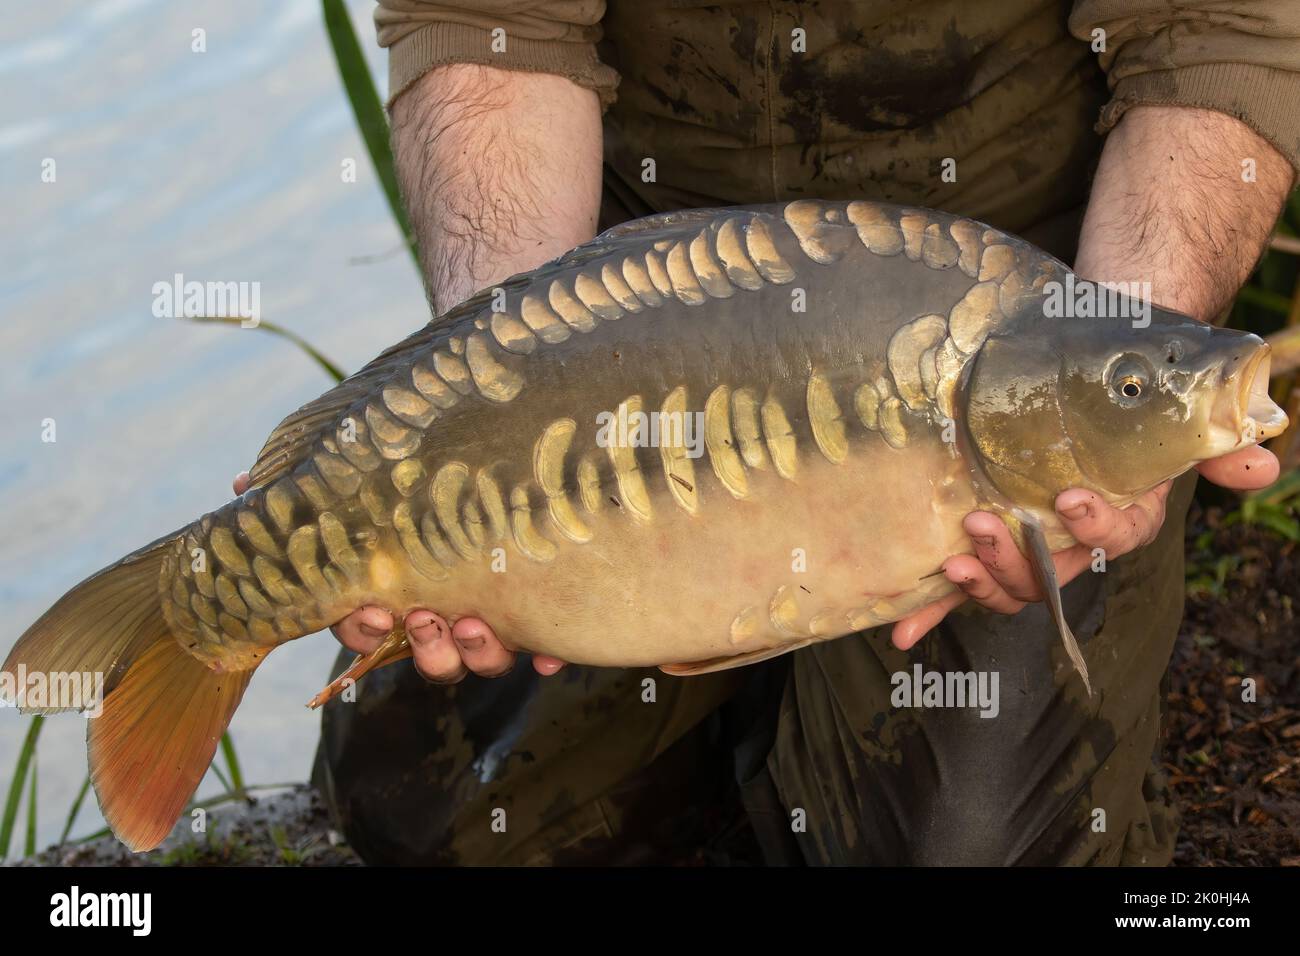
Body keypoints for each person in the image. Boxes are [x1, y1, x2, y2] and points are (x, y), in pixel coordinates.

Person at [242, 0, 1300, 864]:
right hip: (630, 335)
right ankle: (741, 728)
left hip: (1011, 301)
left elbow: (1213, 30)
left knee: (963, 851)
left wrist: (1127, 345)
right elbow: (494, 25)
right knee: (434, 812)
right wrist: (500, 393)